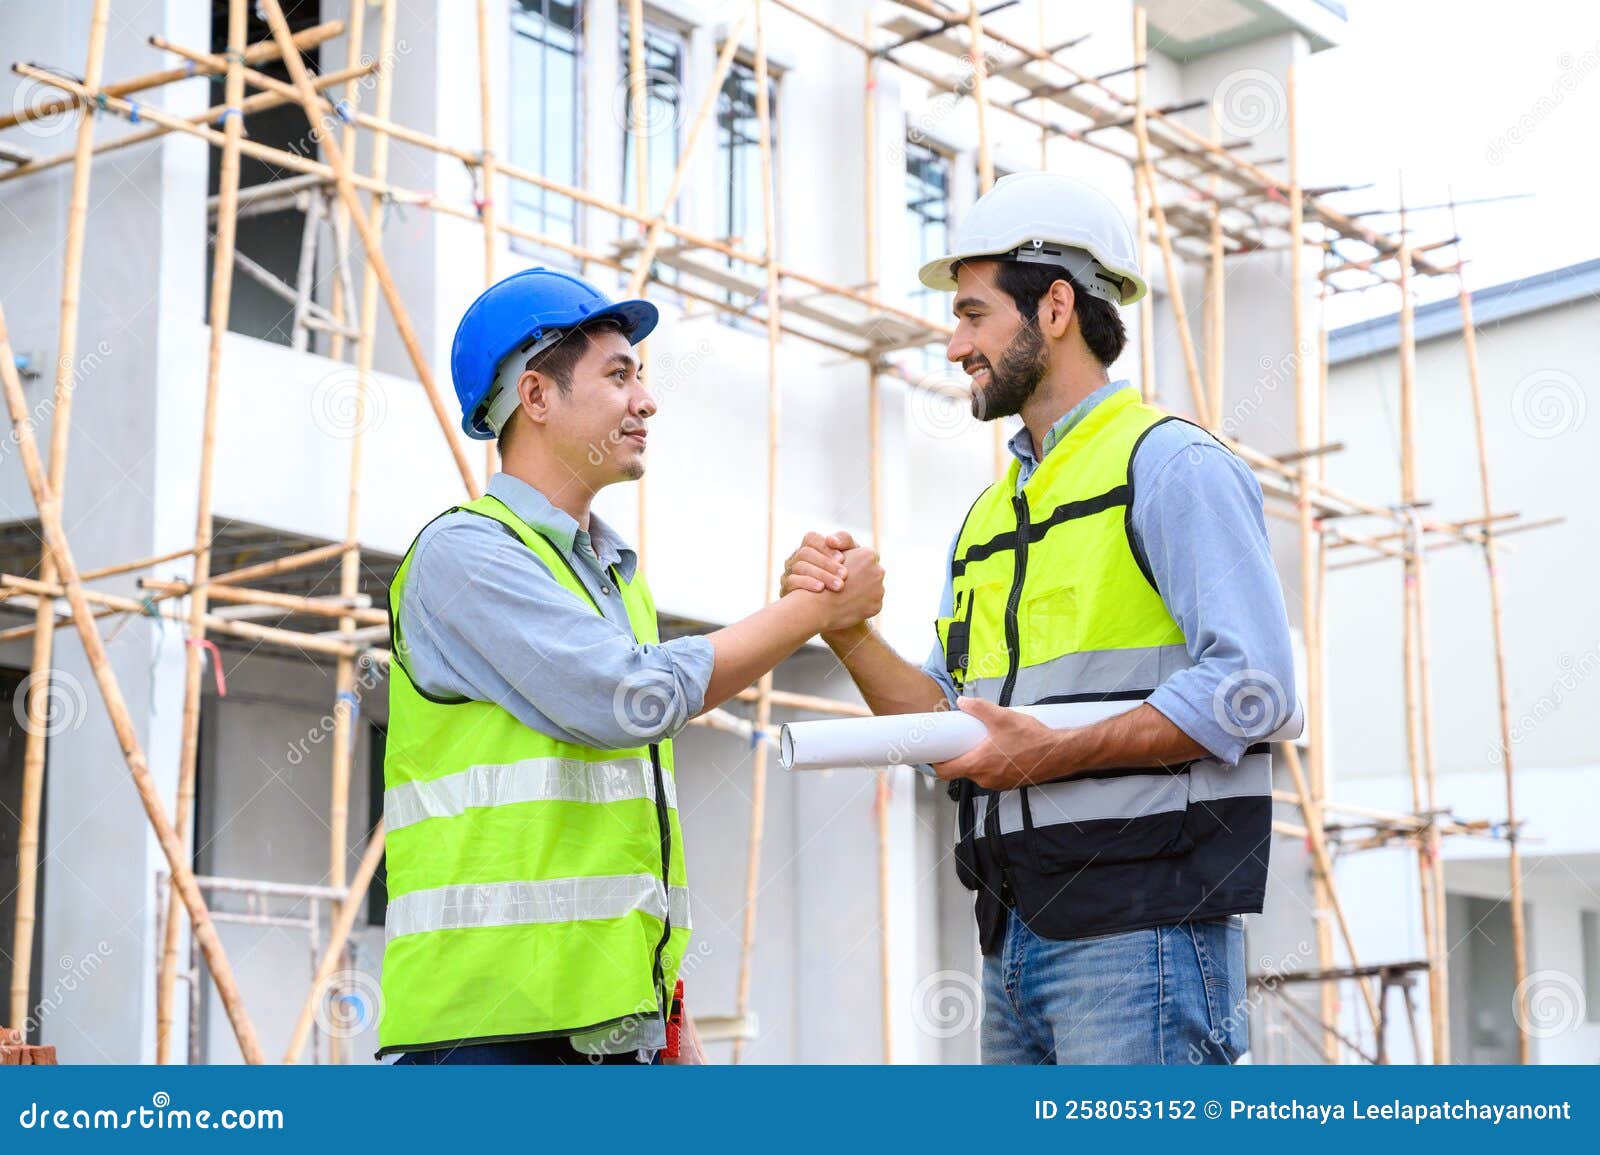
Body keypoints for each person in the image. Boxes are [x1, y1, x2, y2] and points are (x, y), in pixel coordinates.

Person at [781, 172, 1295, 1065]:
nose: (953, 344)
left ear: (1054, 307)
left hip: (1144, 934)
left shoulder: (1169, 467)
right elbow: (945, 726)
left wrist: (1048, 753)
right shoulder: (988, 515)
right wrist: (848, 629)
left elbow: (1252, 691)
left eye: (972, 315)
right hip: (1012, 935)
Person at [378, 268, 884, 1064]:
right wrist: (811, 611)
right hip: (487, 1038)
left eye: (641, 375)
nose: (646, 400)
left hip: (613, 1030)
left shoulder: (615, 577)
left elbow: (621, 837)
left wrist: (663, 1012)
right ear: (536, 397)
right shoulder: (466, 555)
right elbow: (631, 697)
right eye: (619, 375)